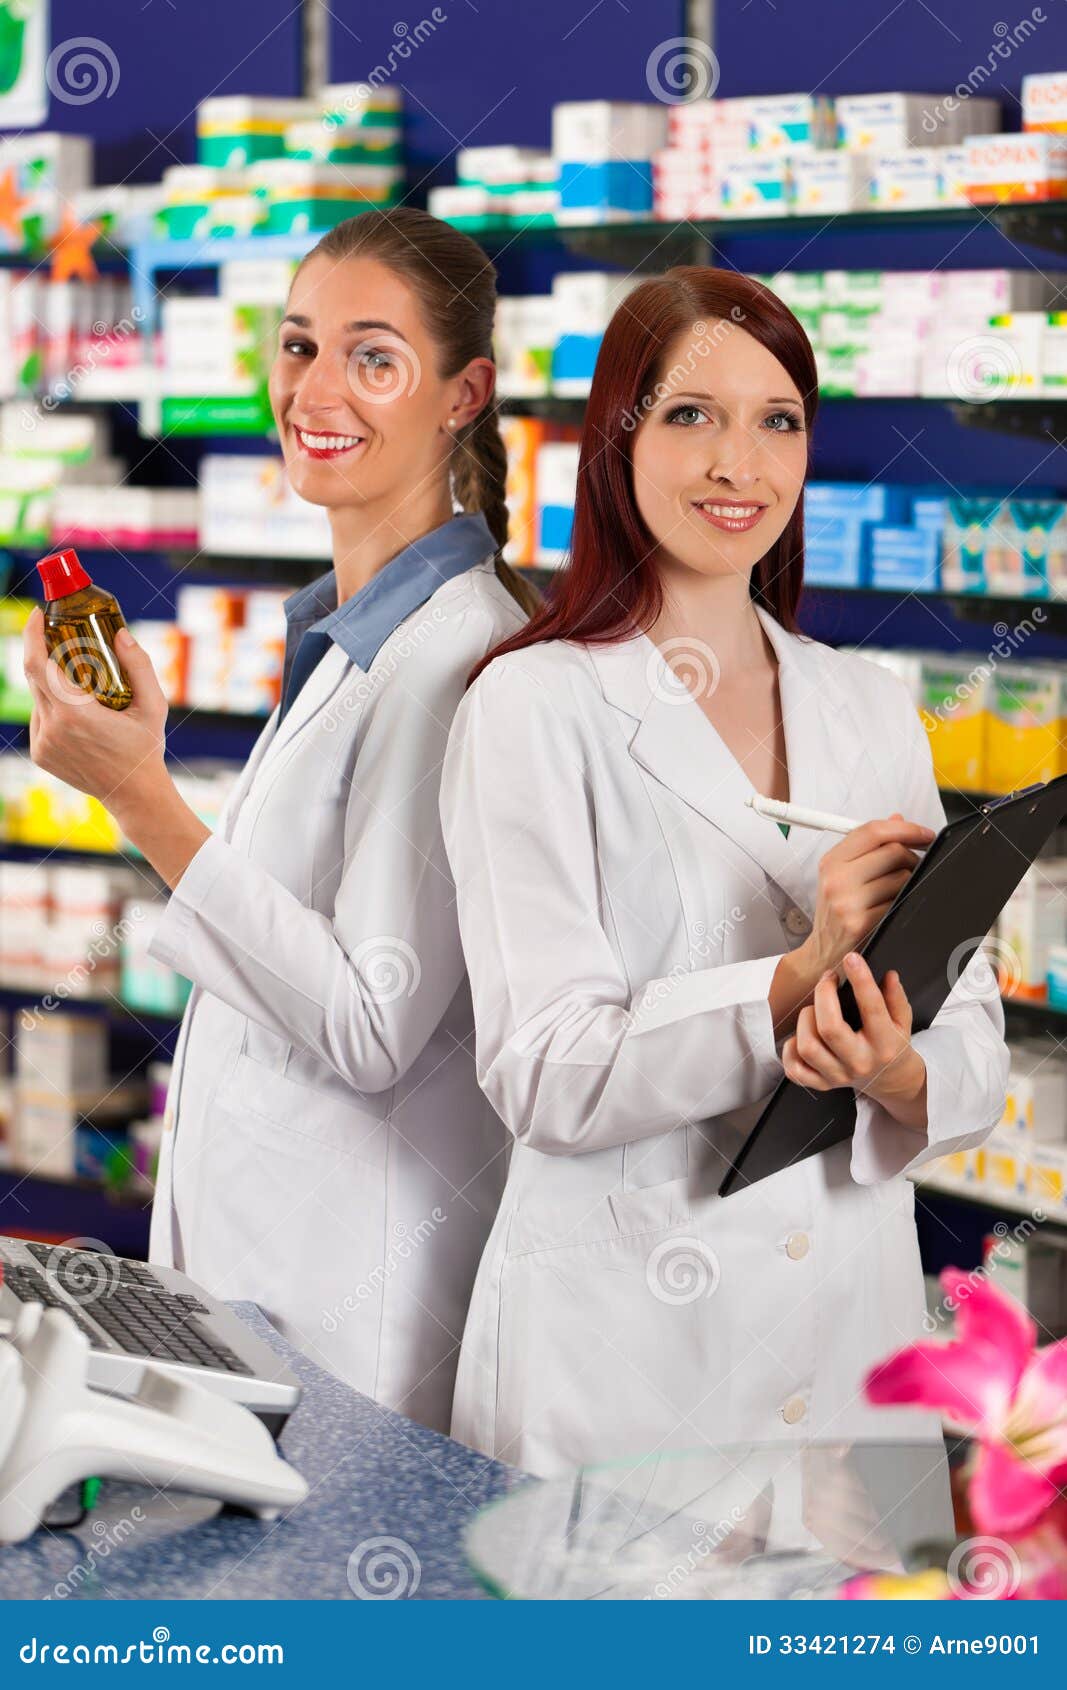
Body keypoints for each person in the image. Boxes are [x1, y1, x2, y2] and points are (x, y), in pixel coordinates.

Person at [439, 266, 1010, 1476]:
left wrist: (899, 1069)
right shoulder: (532, 705)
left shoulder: (868, 707)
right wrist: (789, 981)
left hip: (846, 1352)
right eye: (690, 414)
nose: (735, 464)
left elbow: (970, 1037)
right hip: (623, 1357)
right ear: (617, 437)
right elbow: (541, 1071)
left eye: (776, 421)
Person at [22, 207, 538, 1434]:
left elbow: (371, 1019)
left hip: (351, 1318)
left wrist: (142, 796)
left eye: (373, 357)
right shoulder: (347, 637)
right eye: (298, 345)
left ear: (462, 393)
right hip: (257, 1305)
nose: (316, 389)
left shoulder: (458, 659)